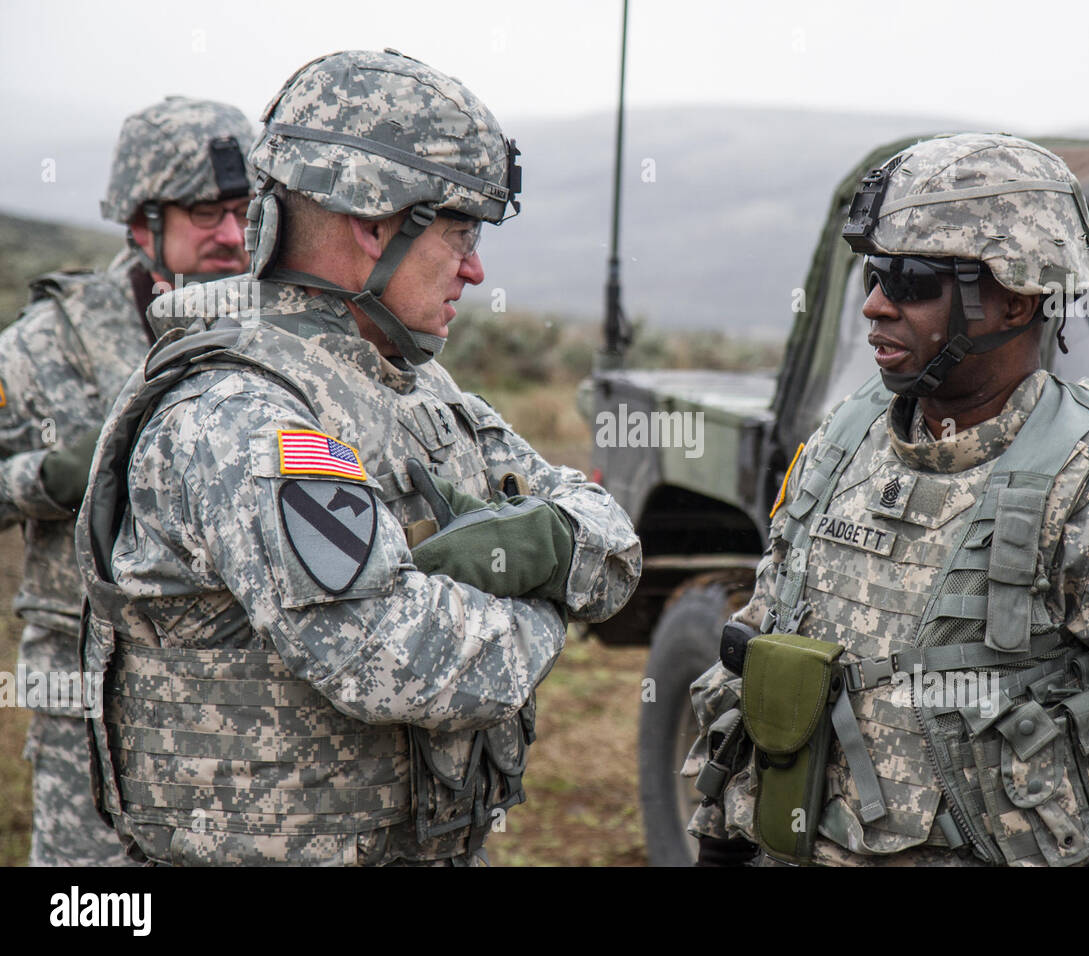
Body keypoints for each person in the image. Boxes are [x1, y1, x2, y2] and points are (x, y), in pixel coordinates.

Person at [75, 49, 641, 866]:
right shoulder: (242, 415)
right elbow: (397, 662)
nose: (476, 269)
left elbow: (610, 538)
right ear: (375, 222)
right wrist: (550, 603)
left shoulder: (410, 383)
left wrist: (544, 543)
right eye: (460, 232)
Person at [684, 132, 1089, 867]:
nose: (874, 306)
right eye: (874, 274)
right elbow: (760, 652)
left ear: (1015, 297)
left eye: (910, 282)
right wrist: (720, 838)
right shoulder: (844, 443)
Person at [0, 96, 253, 866]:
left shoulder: (274, 329)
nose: (235, 236)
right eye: (207, 213)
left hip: (236, 693)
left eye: (248, 211)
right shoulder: (48, 343)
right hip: (88, 694)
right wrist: (47, 474)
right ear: (143, 221)